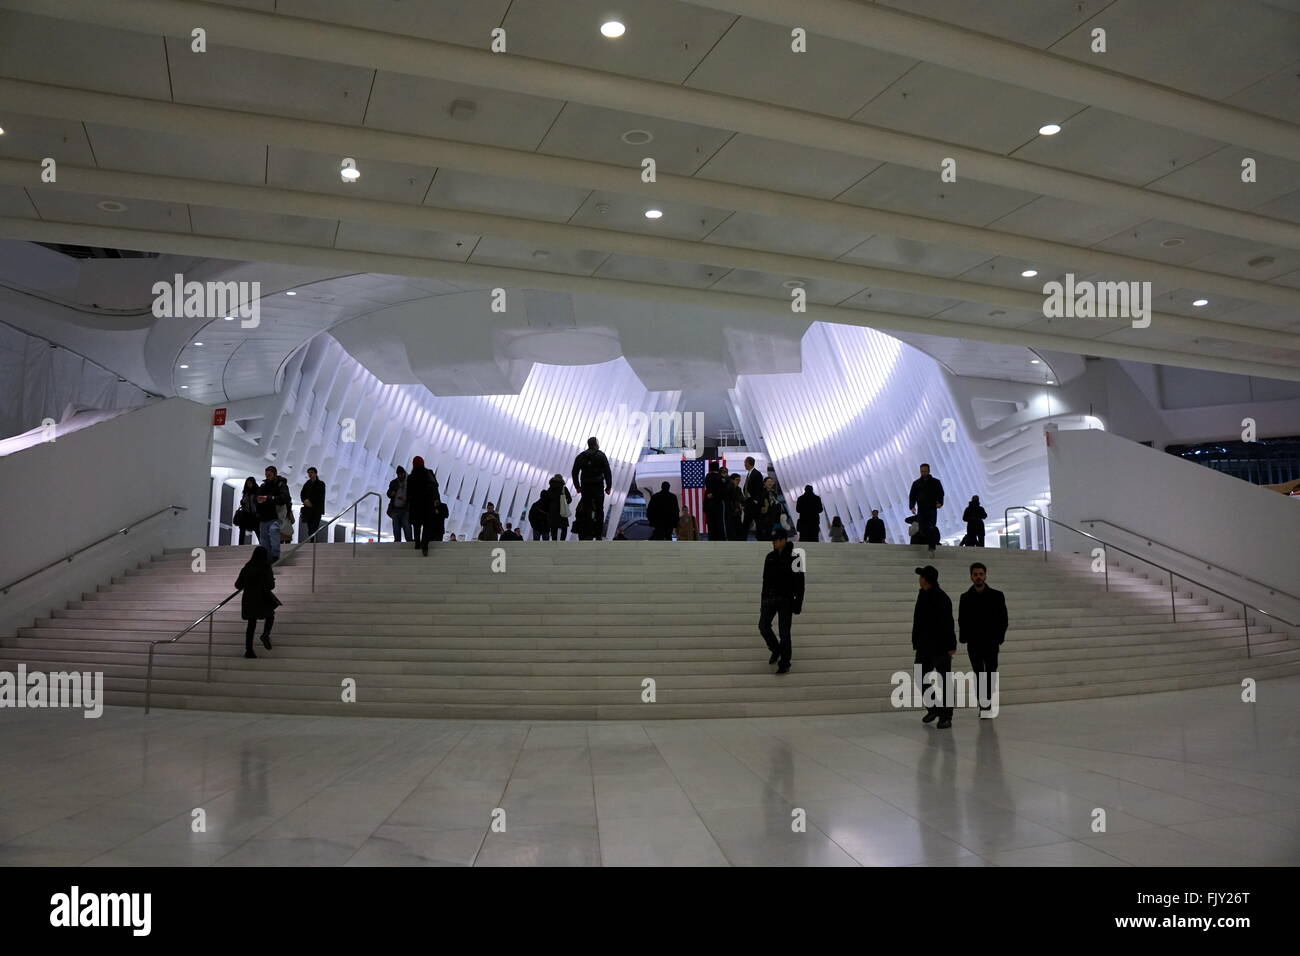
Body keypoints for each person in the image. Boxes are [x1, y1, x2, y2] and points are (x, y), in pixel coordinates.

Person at [959, 562, 1007, 717]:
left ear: (985, 575)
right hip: (974, 643)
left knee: (991, 672)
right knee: (979, 673)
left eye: (980, 574)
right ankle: (984, 705)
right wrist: (964, 638)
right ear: (971, 577)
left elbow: (1003, 619)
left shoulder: (997, 595)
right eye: (975, 574)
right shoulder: (965, 597)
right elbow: (962, 619)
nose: (978, 577)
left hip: (991, 642)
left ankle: (987, 701)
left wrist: (999, 638)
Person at [912, 564, 956, 729]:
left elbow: (948, 623)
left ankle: (946, 716)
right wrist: (916, 641)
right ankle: (934, 707)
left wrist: (951, 645)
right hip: (924, 646)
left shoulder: (941, 597)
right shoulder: (922, 594)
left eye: (921, 576)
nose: (919, 579)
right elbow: (918, 619)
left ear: (926, 579)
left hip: (940, 647)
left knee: (945, 681)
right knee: (919, 676)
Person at [759, 527, 805, 675]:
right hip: (770, 598)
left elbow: (800, 582)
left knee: (784, 633)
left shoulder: (796, 556)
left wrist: (798, 603)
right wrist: (763, 600)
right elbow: (765, 581)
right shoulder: (770, 557)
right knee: (763, 626)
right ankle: (776, 649)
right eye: (772, 540)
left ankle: (785, 663)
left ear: (784, 540)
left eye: (776, 540)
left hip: (786, 600)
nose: (773, 543)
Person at [234, 546, 280, 659]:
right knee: (270, 615)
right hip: (262, 597)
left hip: (249, 599)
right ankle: (265, 634)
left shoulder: (247, 567)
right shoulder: (265, 566)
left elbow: (237, 585)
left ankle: (249, 650)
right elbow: (271, 585)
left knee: (251, 625)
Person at [571, 437, 612, 540]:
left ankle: (588, 533)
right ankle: (598, 534)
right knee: (599, 510)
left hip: (585, 486)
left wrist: (577, 486)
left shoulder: (581, 456)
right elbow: (607, 471)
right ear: (596, 444)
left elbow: (574, 472)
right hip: (598, 486)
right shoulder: (601, 455)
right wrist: (608, 487)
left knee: (587, 510)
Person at [255, 466, 290, 563]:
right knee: (264, 540)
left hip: (276, 516)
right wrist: (258, 500)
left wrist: (268, 498)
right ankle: (268, 558)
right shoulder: (263, 486)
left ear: (274, 474)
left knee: (274, 532)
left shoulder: (281, 485)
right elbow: (256, 498)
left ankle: (275, 555)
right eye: (266, 475)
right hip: (264, 517)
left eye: (269, 475)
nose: (267, 477)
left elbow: (284, 498)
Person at [909, 463, 945, 557]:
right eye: (921, 471)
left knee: (931, 527)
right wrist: (912, 506)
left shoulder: (936, 482)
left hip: (932, 508)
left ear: (929, 471)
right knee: (922, 528)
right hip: (921, 509)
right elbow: (912, 496)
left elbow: (940, 494)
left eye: (925, 471)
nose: (923, 473)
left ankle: (931, 547)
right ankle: (929, 544)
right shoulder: (916, 483)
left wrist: (940, 502)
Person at [407, 456, 438, 556]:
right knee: (427, 525)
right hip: (427, 504)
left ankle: (417, 543)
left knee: (416, 525)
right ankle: (424, 545)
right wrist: (436, 500)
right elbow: (435, 487)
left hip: (416, 505)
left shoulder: (411, 477)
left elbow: (409, 493)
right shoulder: (428, 473)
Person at [386, 466, 412, 543]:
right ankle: (397, 541)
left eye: (401, 474)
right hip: (395, 508)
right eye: (398, 474)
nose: (400, 476)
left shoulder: (409, 482)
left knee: (406, 525)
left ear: (404, 473)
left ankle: (409, 540)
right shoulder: (393, 483)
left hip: (406, 508)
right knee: (396, 526)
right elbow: (388, 493)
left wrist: (406, 499)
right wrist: (391, 493)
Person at [299, 466, 326, 543]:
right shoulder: (307, 483)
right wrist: (305, 500)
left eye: (311, 472)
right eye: (309, 473)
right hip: (308, 509)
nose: (310, 474)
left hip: (317, 509)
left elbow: (321, 496)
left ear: (315, 473)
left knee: (315, 525)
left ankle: (314, 541)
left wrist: (310, 501)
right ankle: (312, 540)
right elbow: (302, 494)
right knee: (310, 526)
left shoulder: (321, 484)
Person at [234, 476, 261, 545]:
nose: (248, 485)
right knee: (242, 529)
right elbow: (244, 502)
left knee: (257, 530)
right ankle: (240, 545)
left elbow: (258, 503)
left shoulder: (257, 492)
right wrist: (242, 502)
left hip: (254, 514)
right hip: (245, 514)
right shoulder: (246, 492)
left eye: (250, 483)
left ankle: (263, 545)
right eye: (247, 483)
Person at [545, 473, 572, 542]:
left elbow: (546, 500)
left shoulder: (550, 489)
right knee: (564, 528)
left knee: (554, 528)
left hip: (552, 511)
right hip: (562, 510)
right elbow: (570, 499)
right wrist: (565, 502)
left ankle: (554, 543)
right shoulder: (564, 488)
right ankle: (562, 542)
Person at [743, 457, 765, 539]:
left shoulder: (757, 474)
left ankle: (761, 540)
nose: (744, 464)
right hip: (749, 502)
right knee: (746, 523)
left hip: (754, 504)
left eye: (745, 463)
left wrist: (756, 500)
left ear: (749, 463)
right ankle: (743, 540)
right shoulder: (750, 473)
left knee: (758, 523)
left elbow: (759, 489)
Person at [703, 462, 726, 540]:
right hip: (718, 504)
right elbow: (722, 492)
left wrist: (709, 495)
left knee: (710, 525)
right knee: (719, 524)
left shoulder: (707, 477)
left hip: (708, 505)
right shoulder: (720, 478)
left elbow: (708, 491)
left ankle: (711, 540)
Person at [726, 473, 746, 538]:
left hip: (737, 513)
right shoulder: (727, 489)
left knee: (739, 531)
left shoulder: (738, 489)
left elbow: (742, 500)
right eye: (737, 480)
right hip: (729, 514)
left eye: (739, 480)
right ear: (731, 480)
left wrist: (742, 505)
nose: (738, 482)